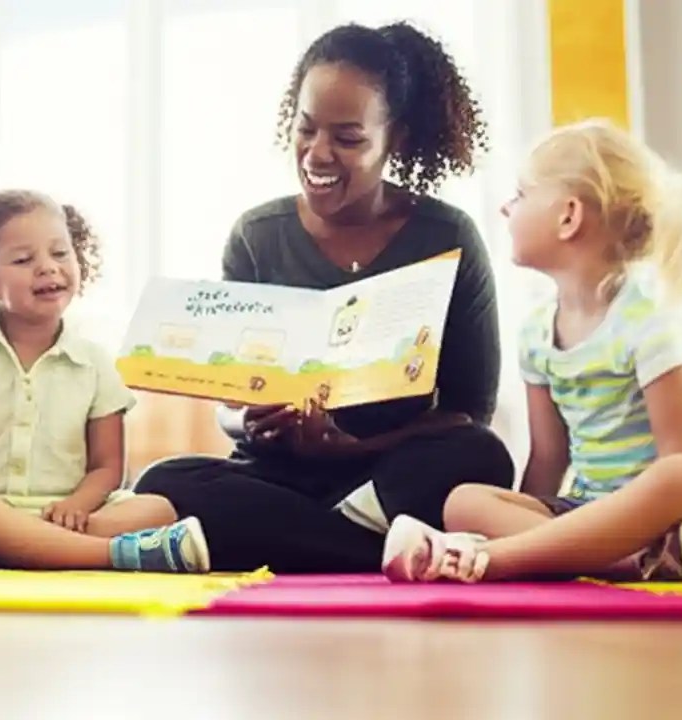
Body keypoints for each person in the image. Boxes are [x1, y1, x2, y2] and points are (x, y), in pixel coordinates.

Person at [128, 21, 515, 573]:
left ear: (396, 138)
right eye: (305, 129)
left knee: (483, 457)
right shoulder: (257, 236)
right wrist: (250, 420)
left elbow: (469, 410)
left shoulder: (446, 238)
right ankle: (362, 550)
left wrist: (348, 449)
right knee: (163, 480)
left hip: (385, 473)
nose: (317, 154)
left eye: (348, 137)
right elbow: (230, 408)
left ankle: (298, 542)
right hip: (276, 474)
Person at [380, 120, 682, 583]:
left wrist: (513, 539)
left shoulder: (650, 324)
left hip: (681, 522)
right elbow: (548, 459)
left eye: (520, 194)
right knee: (464, 502)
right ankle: (626, 563)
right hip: (590, 511)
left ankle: (496, 560)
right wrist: (513, 516)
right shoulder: (537, 334)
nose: (504, 206)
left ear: (569, 216)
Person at [0, 189, 209, 573]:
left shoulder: (96, 361)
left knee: (158, 507)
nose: (48, 268)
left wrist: (78, 505)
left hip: (73, 518)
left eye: (60, 253)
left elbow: (107, 467)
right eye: (23, 259)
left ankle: (6, 551)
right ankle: (116, 555)